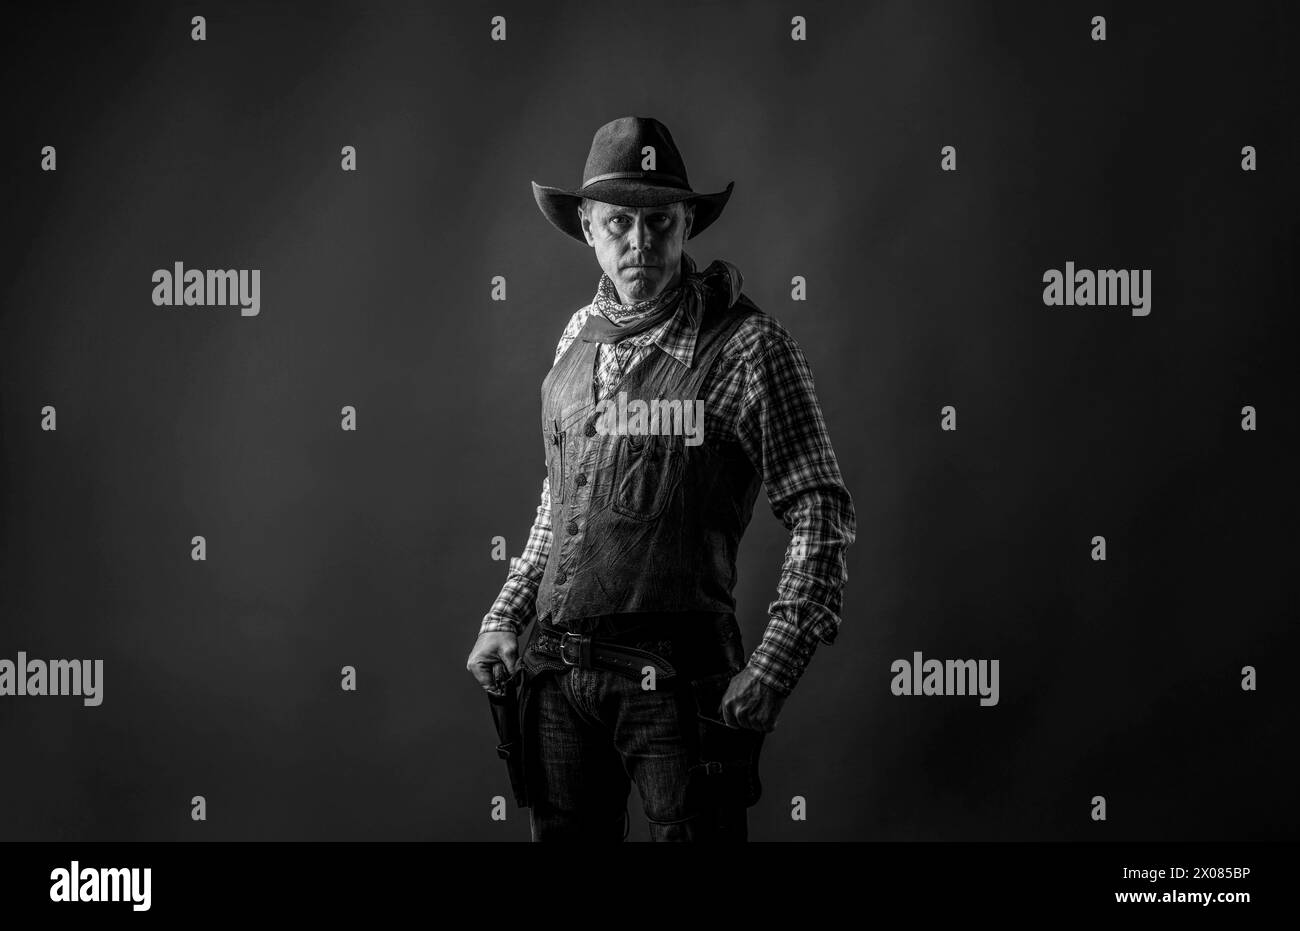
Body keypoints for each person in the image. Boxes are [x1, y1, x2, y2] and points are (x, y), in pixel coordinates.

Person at [466, 116, 856, 841]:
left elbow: (820, 506)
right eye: (619, 222)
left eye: (659, 222)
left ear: (685, 224)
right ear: (587, 226)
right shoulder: (575, 335)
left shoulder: (748, 347)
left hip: (675, 682)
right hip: (554, 674)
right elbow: (560, 503)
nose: (639, 243)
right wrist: (505, 614)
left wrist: (776, 662)